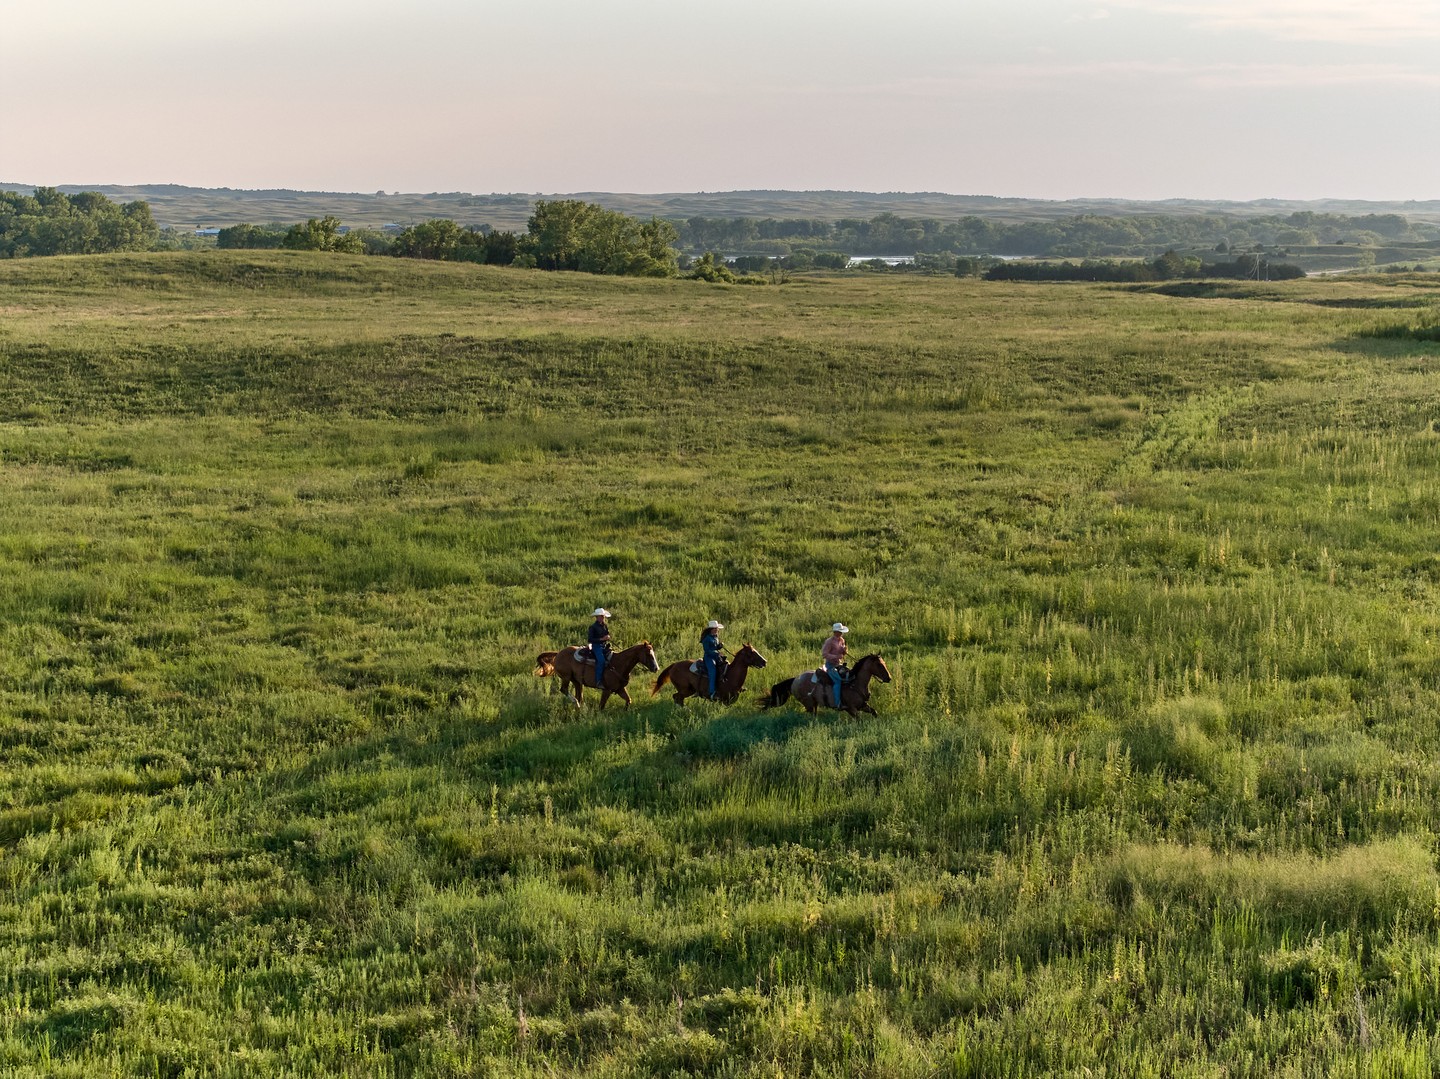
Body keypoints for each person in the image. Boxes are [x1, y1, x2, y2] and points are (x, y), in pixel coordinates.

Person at [822, 622, 849, 709]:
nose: (841, 633)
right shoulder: (829, 642)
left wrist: (844, 651)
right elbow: (824, 654)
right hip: (830, 665)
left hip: (838, 664)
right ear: (835, 632)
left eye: (841, 632)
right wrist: (836, 656)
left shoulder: (842, 640)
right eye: (839, 631)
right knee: (837, 682)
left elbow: (842, 651)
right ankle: (837, 704)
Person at [700, 620, 725, 699]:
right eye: (714, 628)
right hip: (709, 658)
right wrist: (717, 653)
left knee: (726, 666)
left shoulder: (715, 637)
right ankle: (712, 692)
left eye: (717, 628)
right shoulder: (706, 639)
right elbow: (707, 650)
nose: (716, 630)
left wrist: (719, 646)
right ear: (710, 629)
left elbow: (715, 647)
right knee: (712, 671)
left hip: (716, 657)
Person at [588, 608, 612, 688]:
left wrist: (608, 637)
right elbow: (590, 639)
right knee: (601, 661)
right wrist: (601, 639)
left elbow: (607, 633)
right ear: (597, 617)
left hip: (604, 646)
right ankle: (598, 681)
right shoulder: (593, 627)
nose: (602, 617)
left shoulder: (605, 626)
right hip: (596, 646)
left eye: (603, 616)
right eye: (601, 616)